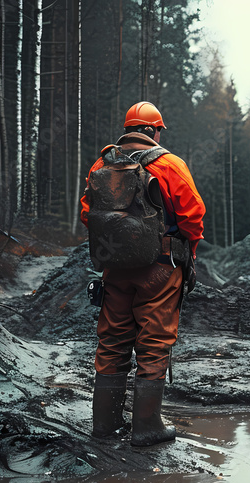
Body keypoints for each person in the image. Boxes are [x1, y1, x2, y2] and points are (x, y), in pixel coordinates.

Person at [79, 101, 205, 447]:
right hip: (161, 268)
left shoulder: (102, 164)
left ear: (129, 129)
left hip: (115, 269)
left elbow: (87, 213)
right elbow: (194, 216)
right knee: (153, 341)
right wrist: (187, 249)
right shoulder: (170, 164)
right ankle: (146, 426)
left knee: (113, 339)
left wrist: (120, 240)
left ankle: (105, 423)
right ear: (154, 131)